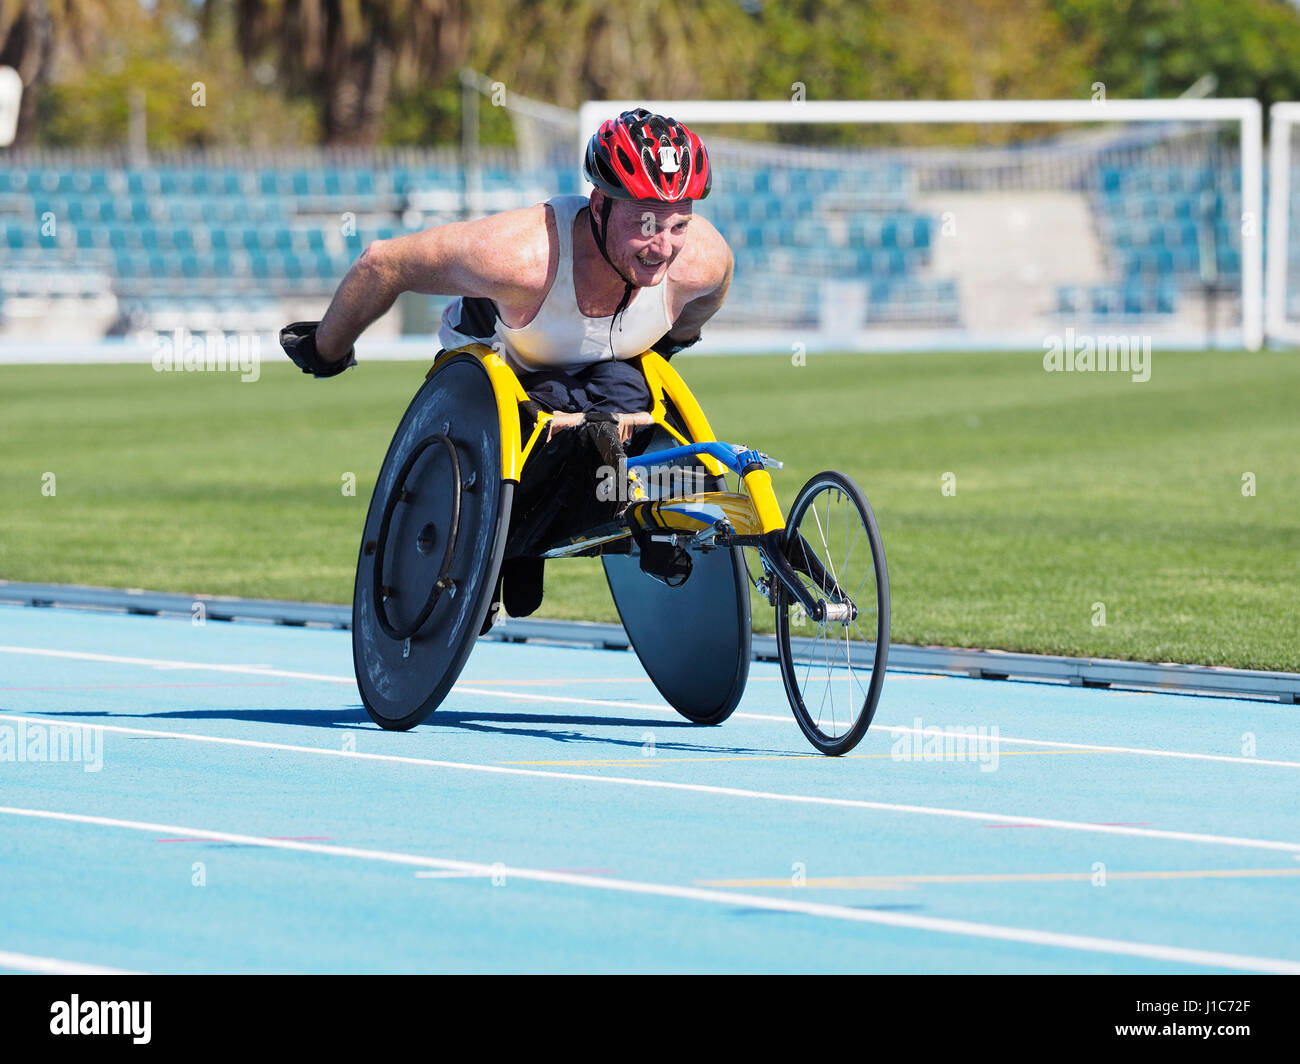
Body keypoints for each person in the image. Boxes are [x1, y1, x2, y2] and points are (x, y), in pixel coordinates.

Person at [281, 108, 734, 616]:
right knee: (556, 411)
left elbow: (707, 297)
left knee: (633, 403)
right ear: (600, 204)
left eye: (678, 225)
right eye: (644, 223)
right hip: (504, 371)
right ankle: (510, 541)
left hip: (602, 372)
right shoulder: (521, 258)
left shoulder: (701, 260)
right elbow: (383, 262)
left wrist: (672, 342)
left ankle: (558, 533)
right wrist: (326, 348)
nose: (663, 246)